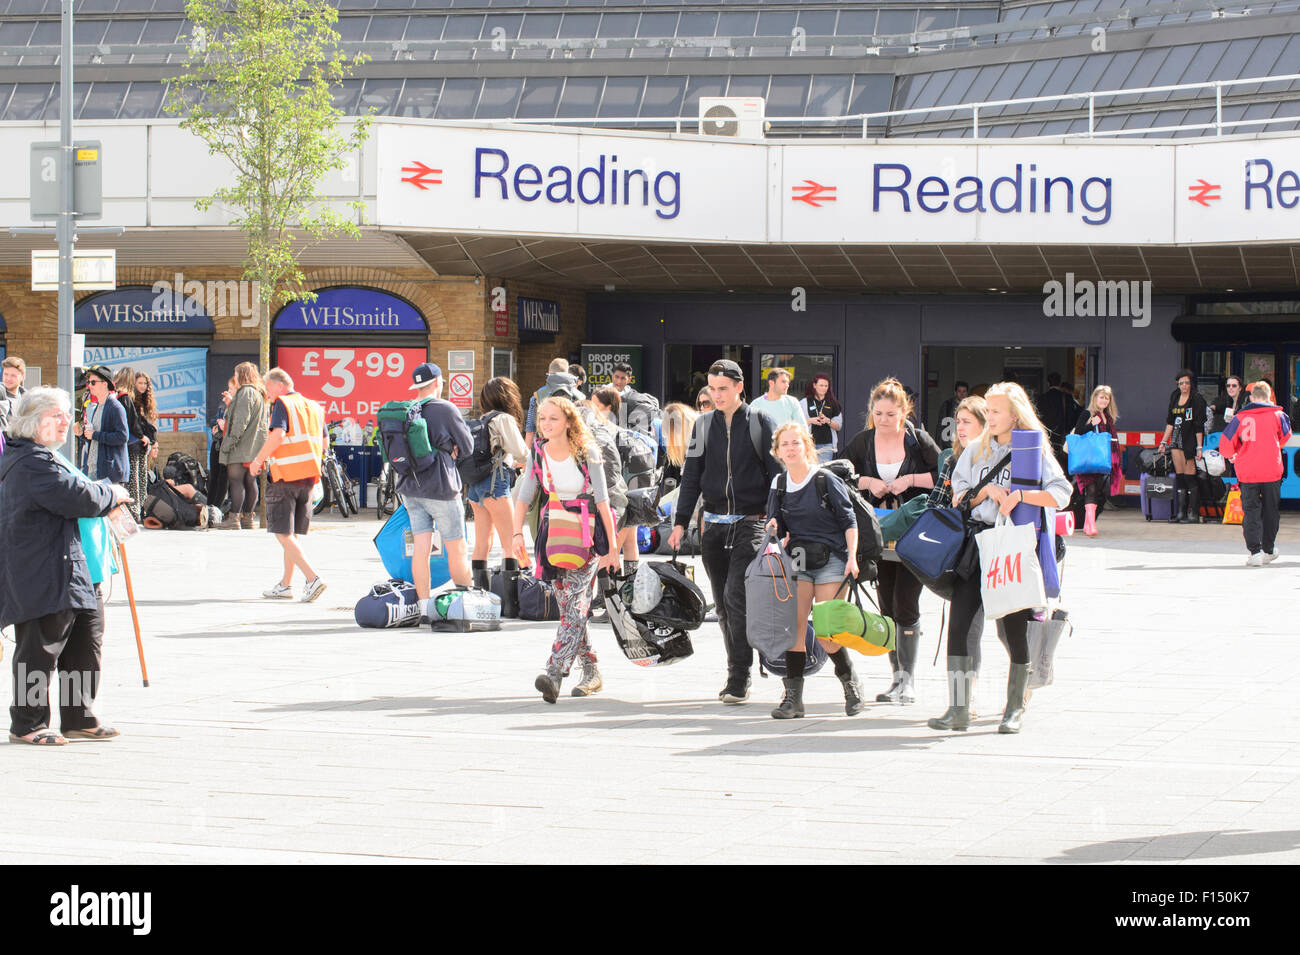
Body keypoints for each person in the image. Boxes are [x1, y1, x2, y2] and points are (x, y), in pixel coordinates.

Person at [927, 382, 1073, 735]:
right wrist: (983, 492)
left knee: (1013, 628)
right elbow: (957, 494)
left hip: (1013, 546)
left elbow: (1062, 493)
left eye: (995, 412)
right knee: (960, 626)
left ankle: (1013, 709)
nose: (988, 417)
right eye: (987, 411)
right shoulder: (975, 448)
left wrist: (1022, 495)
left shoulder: (1032, 449)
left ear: (1014, 415)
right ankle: (958, 709)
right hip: (976, 545)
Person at [1, 388, 131, 745]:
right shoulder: (29, 461)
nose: (66, 422)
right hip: (43, 571)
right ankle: (27, 724)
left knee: (84, 643)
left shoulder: (46, 456)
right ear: (32, 421)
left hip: (73, 568)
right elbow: (78, 496)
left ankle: (78, 717)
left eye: (66, 414)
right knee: (39, 650)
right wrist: (113, 493)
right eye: (55, 415)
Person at [669, 359, 779, 704]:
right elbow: (691, 476)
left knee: (735, 594)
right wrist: (680, 521)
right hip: (713, 526)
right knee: (726, 606)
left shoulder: (761, 422)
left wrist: (777, 519)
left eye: (723, 389)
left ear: (739, 387)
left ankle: (739, 677)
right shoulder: (702, 427)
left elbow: (777, 477)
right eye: (712, 389)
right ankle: (737, 668)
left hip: (752, 522)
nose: (717, 395)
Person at [511, 396, 620, 702]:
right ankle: (592, 671)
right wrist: (516, 532)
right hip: (554, 534)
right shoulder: (539, 451)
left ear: (569, 422)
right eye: (542, 418)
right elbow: (526, 494)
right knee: (570, 607)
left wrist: (612, 549)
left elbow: (602, 502)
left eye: (553, 419)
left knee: (573, 605)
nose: (545, 424)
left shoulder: (587, 452)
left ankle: (554, 672)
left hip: (586, 536)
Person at [837, 377, 938, 704]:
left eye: (890, 414)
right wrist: (869, 481)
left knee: (907, 602)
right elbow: (837, 472)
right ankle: (896, 677)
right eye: (878, 413)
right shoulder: (863, 442)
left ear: (904, 412)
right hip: (877, 533)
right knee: (886, 605)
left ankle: (908, 680)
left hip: (912, 533)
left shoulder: (917, 440)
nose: (883, 420)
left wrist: (909, 479)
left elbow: (946, 475)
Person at [765, 423, 864, 719]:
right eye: (785, 444)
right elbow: (776, 522)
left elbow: (849, 521)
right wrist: (772, 528)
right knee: (794, 629)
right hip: (798, 560)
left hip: (833, 559)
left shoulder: (825, 480)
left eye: (796, 442)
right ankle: (793, 700)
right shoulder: (779, 484)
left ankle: (850, 682)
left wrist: (852, 558)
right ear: (778, 451)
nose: (791, 448)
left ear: (807, 446)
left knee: (825, 632)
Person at [392, 363, 474, 621]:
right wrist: (451, 448)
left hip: (410, 488)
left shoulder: (406, 409)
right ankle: (464, 602)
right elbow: (468, 446)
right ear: (438, 382)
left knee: (421, 548)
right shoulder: (445, 408)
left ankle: (425, 608)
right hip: (441, 487)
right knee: (456, 545)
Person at [926, 394, 990, 713]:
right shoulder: (952, 461)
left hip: (995, 550)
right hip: (963, 556)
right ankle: (964, 699)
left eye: (967, 422)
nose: (959, 428)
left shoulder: (995, 459)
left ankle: (1025, 682)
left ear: (984, 425)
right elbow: (935, 506)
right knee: (964, 627)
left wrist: (968, 499)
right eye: (958, 422)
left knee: (1010, 630)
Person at [249, 368, 328, 602]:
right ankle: (285, 584)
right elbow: (323, 442)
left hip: (285, 476)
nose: (268, 394)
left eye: (269, 388)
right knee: (291, 533)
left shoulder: (283, 403)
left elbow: (278, 435)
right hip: (308, 478)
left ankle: (312, 578)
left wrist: (258, 460)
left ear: (279, 386)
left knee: (282, 532)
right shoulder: (314, 407)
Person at [467, 376, 529, 602]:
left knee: (483, 542)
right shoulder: (503, 419)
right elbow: (521, 452)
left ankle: (480, 597)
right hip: (496, 483)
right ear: (508, 396)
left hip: (475, 486)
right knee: (510, 542)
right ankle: (513, 603)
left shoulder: (481, 419)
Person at [1219, 381, 1291, 566]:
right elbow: (1286, 435)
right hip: (1271, 471)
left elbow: (1226, 443)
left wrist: (1232, 456)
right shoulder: (1278, 415)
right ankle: (1268, 548)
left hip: (1248, 471)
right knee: (1271, 510)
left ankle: (1255, 552)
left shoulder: (1240, 417)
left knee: (1251, 510)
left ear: (1251, 398)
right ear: (1269, 397)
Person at [215, 363, 269, 530]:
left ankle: (234, 519)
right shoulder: (259, 394)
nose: (235, 377)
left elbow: (240, 422)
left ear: (243, 375)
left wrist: (228, 443)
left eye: (236, 373)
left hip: (241, 446)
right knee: (250, 482)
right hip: (255, 447)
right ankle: (248, 518)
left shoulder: (245, 392)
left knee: (236, 481)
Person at [1158, 369, 1209, 524]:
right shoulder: (1175, 396)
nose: (1184, 386)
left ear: (1190, 383)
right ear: (1177, 384)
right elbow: (1170, 422)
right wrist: (1163, 442)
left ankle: (1193, 513)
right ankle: (1181, 512)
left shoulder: (1197, 399)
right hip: (1175, 438)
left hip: (1190, 439)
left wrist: (1199, 447)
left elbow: (1199, 425)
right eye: (1181, 383)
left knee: (1189, 476)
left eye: (1187, 382)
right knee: (1180, 476)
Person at [1071, 385, 1122, 537]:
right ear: (1094, 398)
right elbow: (1079, 431)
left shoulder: (1108, 417)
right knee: (1091, 488)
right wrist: (1092, 423)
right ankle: (1091, 525)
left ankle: (1088, 523)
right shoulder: (1087, 413)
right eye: (1101, 397)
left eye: (1107, 398)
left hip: (1102, 459)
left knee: (1099, 490)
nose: (1104, 400)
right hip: (1088, 458)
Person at [78, 365, 129, 485]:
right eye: (89, 382)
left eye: (93, 382)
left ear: (105, 384)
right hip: (95, 469)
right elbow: (93, 436)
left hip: (109, 473)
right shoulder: (98, 406)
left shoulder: (115, 407)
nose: (89, 385)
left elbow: (122, 436)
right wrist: (82, 434)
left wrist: (95, 435)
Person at [112, 367, 149, 521]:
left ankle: (133, 510)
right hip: (133, 444)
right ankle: (136, 511)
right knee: (136, 479)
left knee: (130, 479)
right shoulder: (125, 398)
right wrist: (142, 436)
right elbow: (132, 422)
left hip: (124, 445)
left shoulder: (115, 397)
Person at [525, 358, 579, 447]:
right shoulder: (577, 396)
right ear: (567, 373)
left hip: (545, 446)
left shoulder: (537, 396)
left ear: (549, 373)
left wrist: (526, 456)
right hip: (572, 446)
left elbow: (530, 429)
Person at [803, 373, 843, 463]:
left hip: (826, 444)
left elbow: (838, 426)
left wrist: (828, 421)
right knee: (810, 471)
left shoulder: (832, 403)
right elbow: (797, 424)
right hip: (809, 444)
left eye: (826, 386)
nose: (824, 388)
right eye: (821, 385)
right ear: (814, 385)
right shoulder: (804, 402)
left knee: (823, 472)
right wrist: (811, 420)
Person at [1, 356, 28, 431]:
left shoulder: (27, 400)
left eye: (13, 376)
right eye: (6, 374)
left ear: (22, 377)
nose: (8, 379)